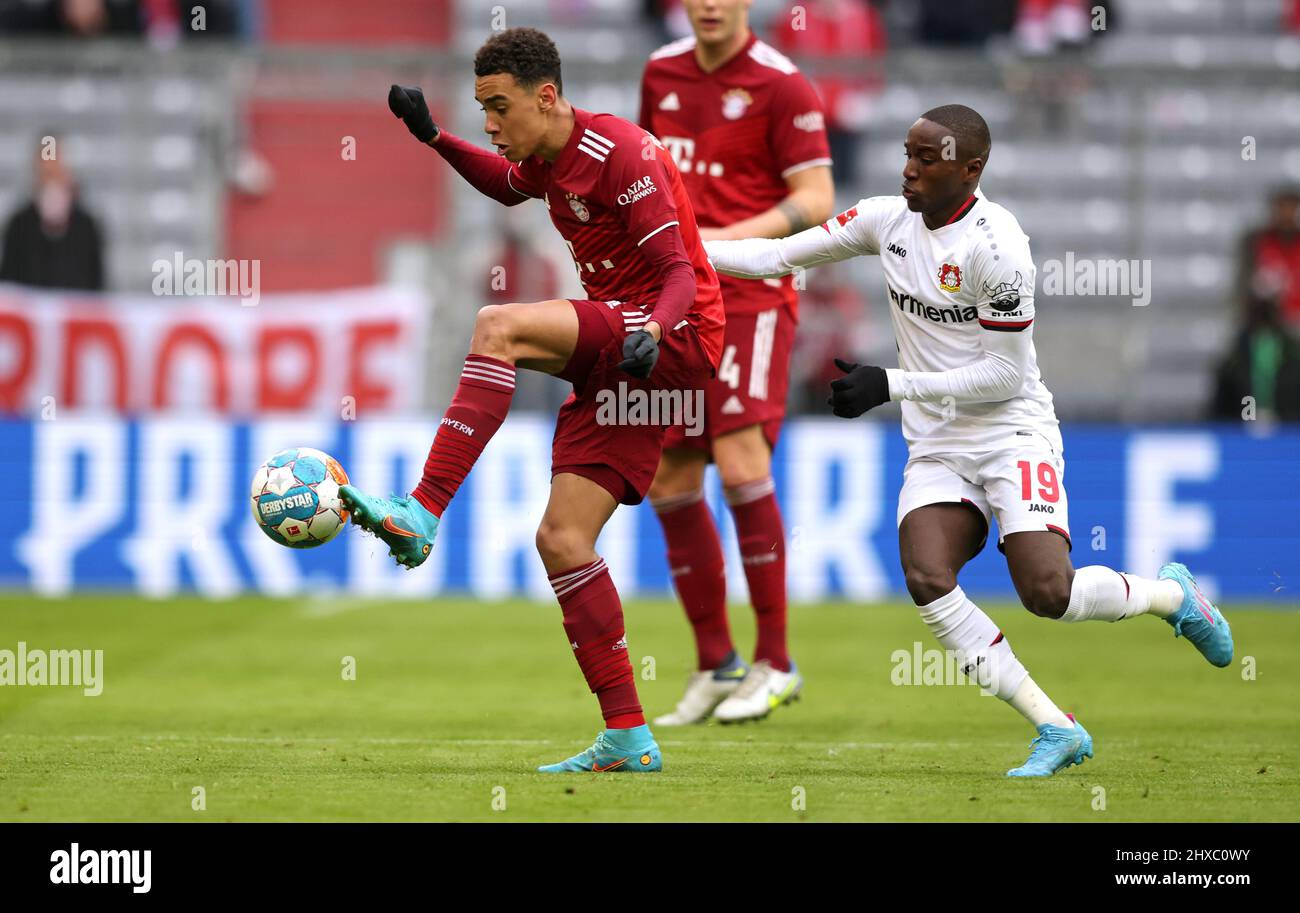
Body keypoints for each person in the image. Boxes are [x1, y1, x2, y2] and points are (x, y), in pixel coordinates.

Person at [704, 104, 1234, 776]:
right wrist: (676, 246)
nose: (909, 170)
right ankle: (1055, 726)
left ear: (971, 169)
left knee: (1049, 592)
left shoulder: (998, 247)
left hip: (1011, 430)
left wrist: (890, 385)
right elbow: (775, 255)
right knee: (927, 573)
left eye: (928, 159)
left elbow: (1003, 372)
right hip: (938, 443)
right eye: (908, 153)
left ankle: (1172, 598)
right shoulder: (884, 220)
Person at [339, 27, 725, 773]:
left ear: (545, 97)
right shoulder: (544, 157)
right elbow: (501, 181)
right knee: (562, 540)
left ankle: (421, 511)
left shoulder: (625, 156)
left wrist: (658, 328)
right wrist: (433, 136)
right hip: (627, 358)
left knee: (499, 325)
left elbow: (679, 270)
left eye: (498, 106)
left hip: (670, 336)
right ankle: (628, 736)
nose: (490, 121)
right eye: (482, 107)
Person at [638, 0, 833, 724]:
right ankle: (717, 662)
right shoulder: (659, 71)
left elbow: (816, 198)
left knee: (742, 458)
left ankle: (776, 660)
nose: (710, 4)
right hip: (680, 296)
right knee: (671, 473)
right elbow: (646, 173)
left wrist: (722, 243)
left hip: (750, 295)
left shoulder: (784, 85)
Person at [0, 134, 105, 292]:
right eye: (46, 174)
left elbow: (95, 287)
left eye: (56, 172)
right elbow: (9, 285)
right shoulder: (19, 224)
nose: (52, 182)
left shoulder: (87, 226)